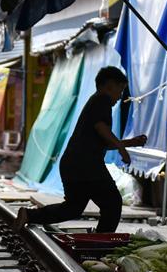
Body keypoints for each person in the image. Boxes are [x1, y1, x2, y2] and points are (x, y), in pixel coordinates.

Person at [13, 67, 147, 233]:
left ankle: (29, 215)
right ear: (109, 86)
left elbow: (102, 140)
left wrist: (129, 143)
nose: (120, 97)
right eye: (120, 90)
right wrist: (122, 149)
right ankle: (102, 242)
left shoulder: (95, 102)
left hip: (72, 164)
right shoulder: (101, 100)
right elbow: (101, 128)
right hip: (86, 165)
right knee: (112, 203)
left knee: (73, 208)